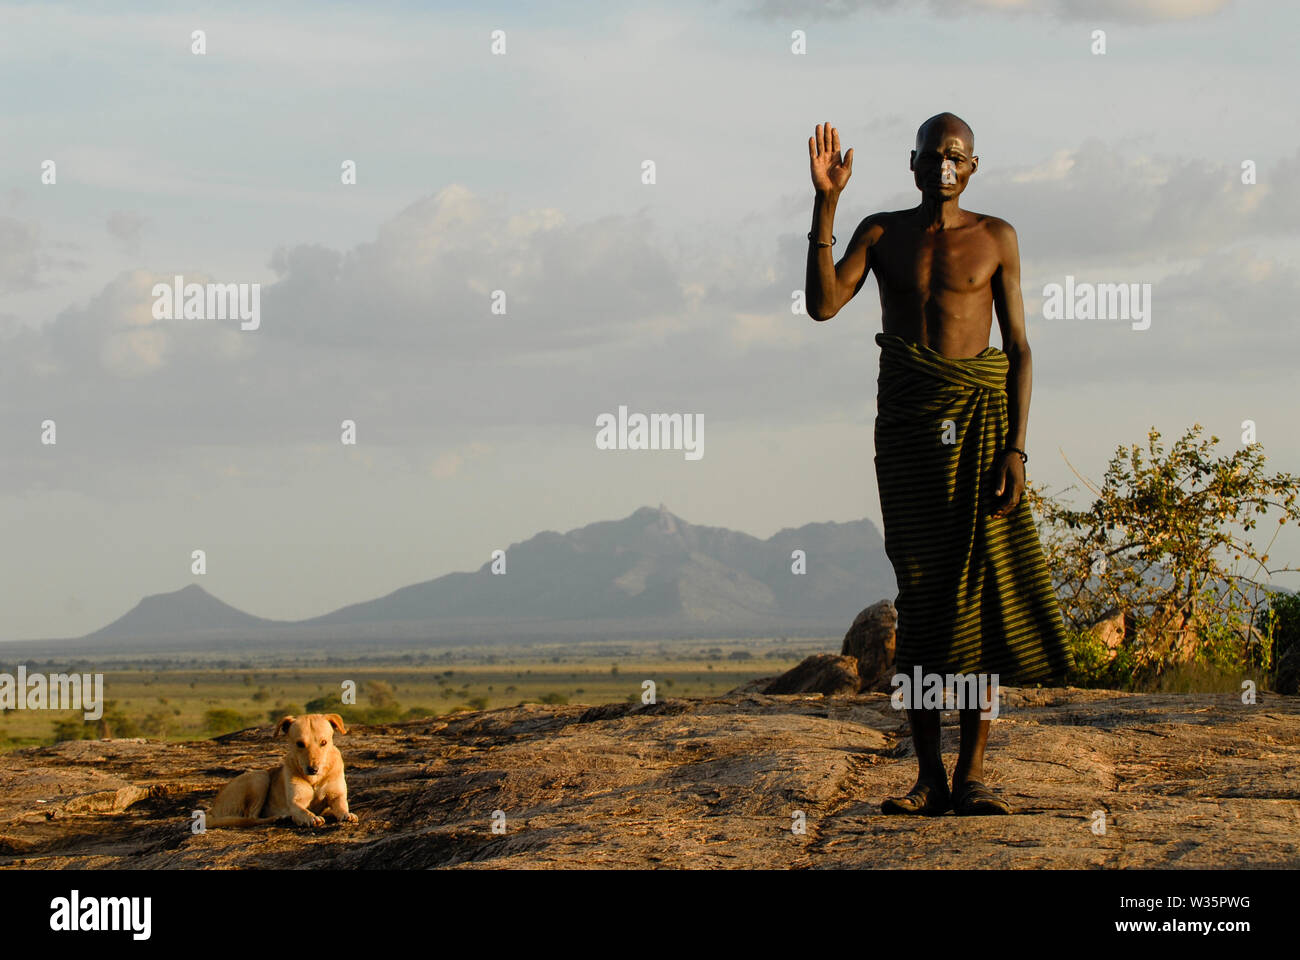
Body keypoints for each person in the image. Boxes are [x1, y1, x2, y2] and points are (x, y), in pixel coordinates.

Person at [804, 113, 1074, 816]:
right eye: (933, 154)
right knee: (921, 605)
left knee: (980, 601)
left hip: (984, 430)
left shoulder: (998, 237)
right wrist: (826, 203)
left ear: (973, 165)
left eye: (956, 155)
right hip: (910, 437)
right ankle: (928, 777)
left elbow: (1019, 349)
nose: (944, 165)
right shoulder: (881, 232)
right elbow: (824, 305)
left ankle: (975, 774)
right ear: (914, 163)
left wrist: (1017, 449)